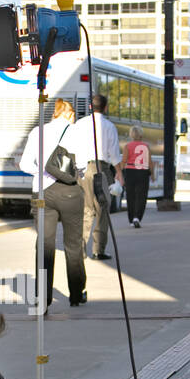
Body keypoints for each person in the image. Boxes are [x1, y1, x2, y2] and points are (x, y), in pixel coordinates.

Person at [17, 98, 86, 308]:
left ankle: (43, 297)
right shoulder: (76, 132)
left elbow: (24, 164)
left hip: (42, 193)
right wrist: (65, 171)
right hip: (70, 192)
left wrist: (45, 171)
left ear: (54, 113)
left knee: (44, 245)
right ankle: (76, 294)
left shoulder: (37, 132)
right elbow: (82, 163)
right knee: (73, 245)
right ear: (69, 113)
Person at [67, 93, 122, 259]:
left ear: (90, 107)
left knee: (85, 209)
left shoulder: (79, 125)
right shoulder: (109, 126)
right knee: (102, 210)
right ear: (105, 107)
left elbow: (71, 148)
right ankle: (98, 250)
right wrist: (119, 171)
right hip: (102, 168)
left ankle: (80, 249)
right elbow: (114, 153)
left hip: (83, 170)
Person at [120, 125, 151, 227]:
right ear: (141, 134)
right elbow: (149, 161)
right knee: (141, 196)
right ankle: (137, 217)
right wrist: (153, 174)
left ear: (131, 134)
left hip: (130, 172)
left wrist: (118, 173)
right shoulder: (146, 146)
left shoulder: (127, 146)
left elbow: (124, 160)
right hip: (142, 172)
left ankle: (131, 219)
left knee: (131, 196)